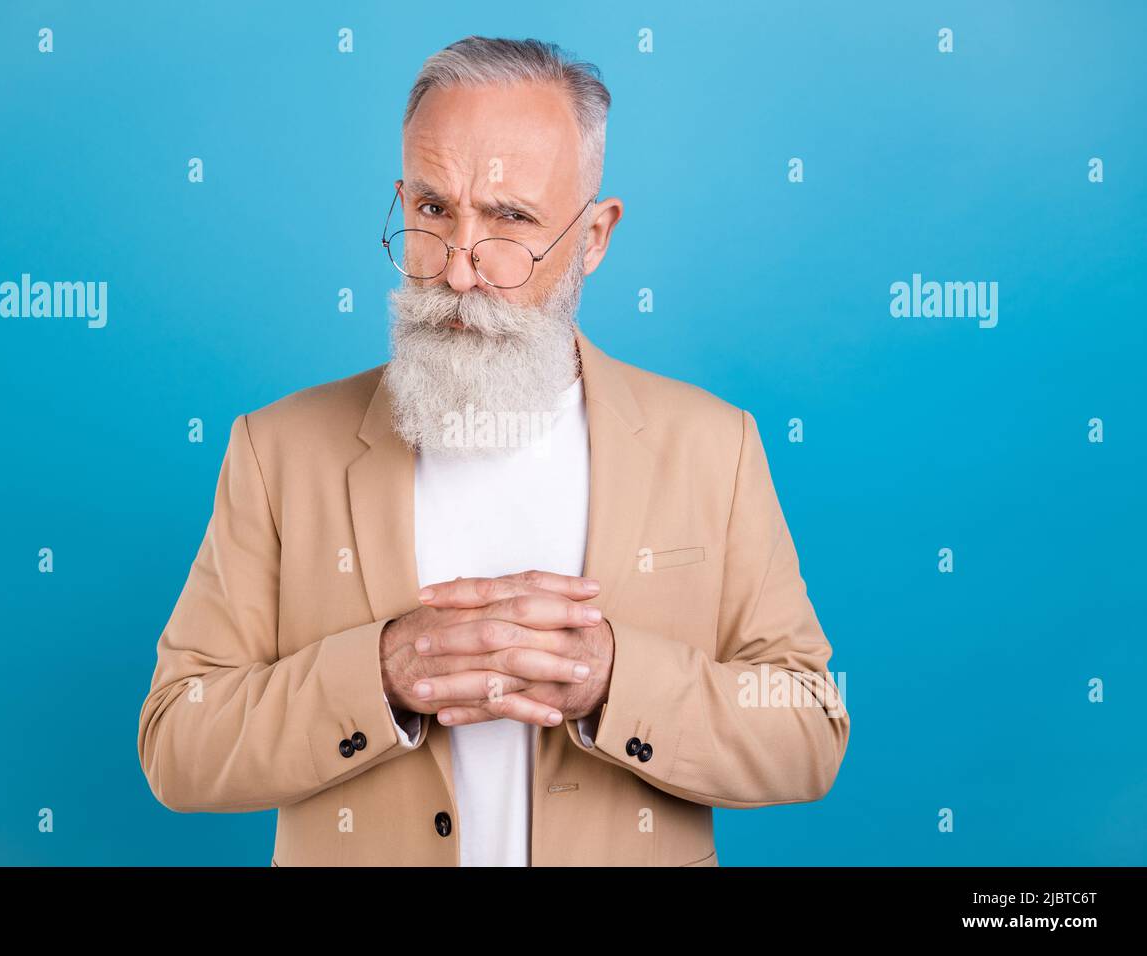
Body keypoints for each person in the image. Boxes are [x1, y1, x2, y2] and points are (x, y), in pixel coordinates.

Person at [137, 35, 850, 866]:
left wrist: (614, 679)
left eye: (510, 221)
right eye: (435, 212)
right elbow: (177, 739)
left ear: (594, 237)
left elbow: (808, 727)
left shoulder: (713, 445)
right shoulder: (278, 448)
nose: (460, 272)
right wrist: (384, 673)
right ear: (402, 198)